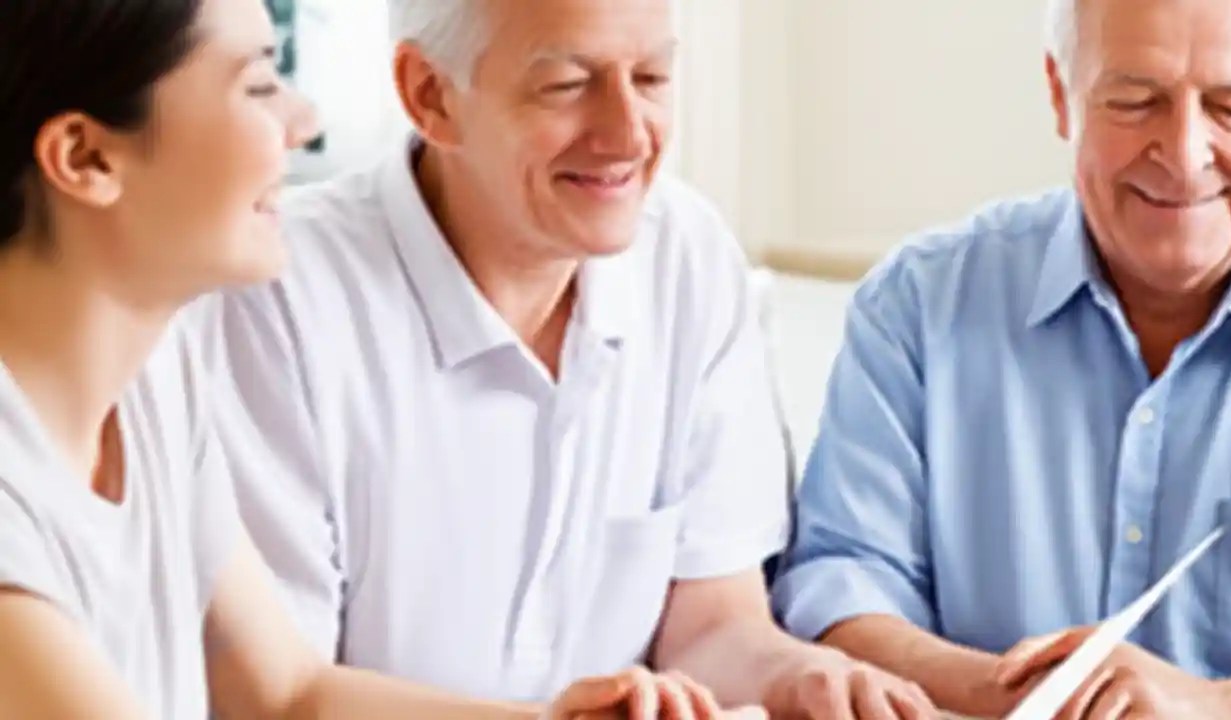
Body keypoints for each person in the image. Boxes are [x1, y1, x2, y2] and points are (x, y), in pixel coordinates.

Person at [0, 0, 752, 717]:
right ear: (85, 157)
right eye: (258, 85)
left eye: (652, 77)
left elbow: (289, 695)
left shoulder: (155, 390)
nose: (302, 121)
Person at [216, 0, 936, 718]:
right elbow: (279, 694)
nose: (628, 135)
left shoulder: (687, 257)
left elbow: (714, 625)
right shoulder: (273, 294)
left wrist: (806, 677)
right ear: (430, 94)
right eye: (566, 85)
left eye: (651, 78)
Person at [771, 0, 1231, 717]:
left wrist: (1214, 705)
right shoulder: (920, 305)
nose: (1184, 153)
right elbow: (841, 585)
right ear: (1060, 96)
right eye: (1136, 102)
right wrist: (1024, 693)